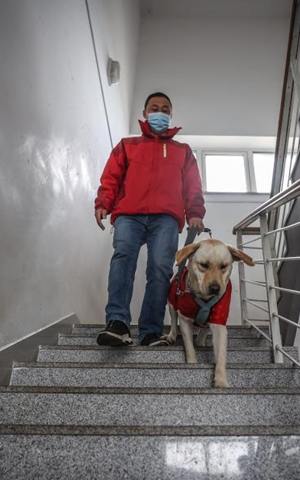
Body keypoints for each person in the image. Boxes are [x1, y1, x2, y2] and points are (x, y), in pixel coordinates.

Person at [94, 92, 205, 347]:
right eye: (154, 108)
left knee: (160, 268)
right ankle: (118, 323)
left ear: (170, 115)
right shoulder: (127, 145)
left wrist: (195, 213)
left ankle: (151, 332)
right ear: (144, 113)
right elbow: (111, 177)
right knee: (123, 259)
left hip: (166, 218)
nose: (159, 112)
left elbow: (192, 186)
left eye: (165, 109)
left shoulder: (183, 151)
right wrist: (103, 203)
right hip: (128, 215)